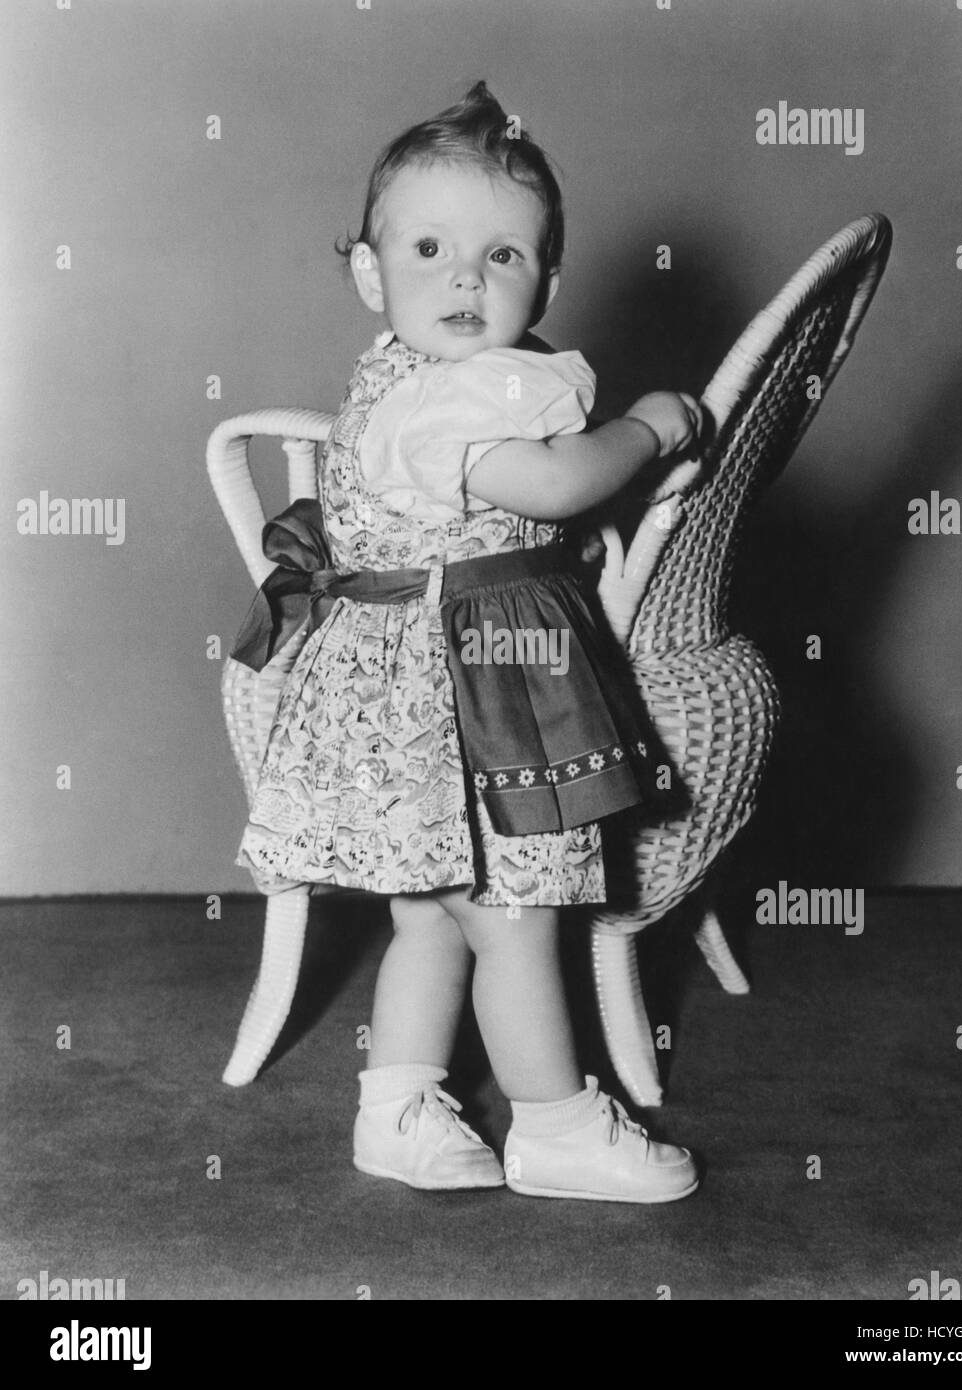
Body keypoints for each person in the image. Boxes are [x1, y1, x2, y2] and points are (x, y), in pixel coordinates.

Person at [232, 81, 704, 1202]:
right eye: (432, 247)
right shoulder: (444, 401)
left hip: (440, 684)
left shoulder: (449, 373)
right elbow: (546, 479)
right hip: (469, 698)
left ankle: (395, 1105)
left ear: (545, 280)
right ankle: (554, 1124)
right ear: (369, 271)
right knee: (516, 912)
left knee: (434, 915)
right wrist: (644, 427)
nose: (463, 278)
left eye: (501, 255)